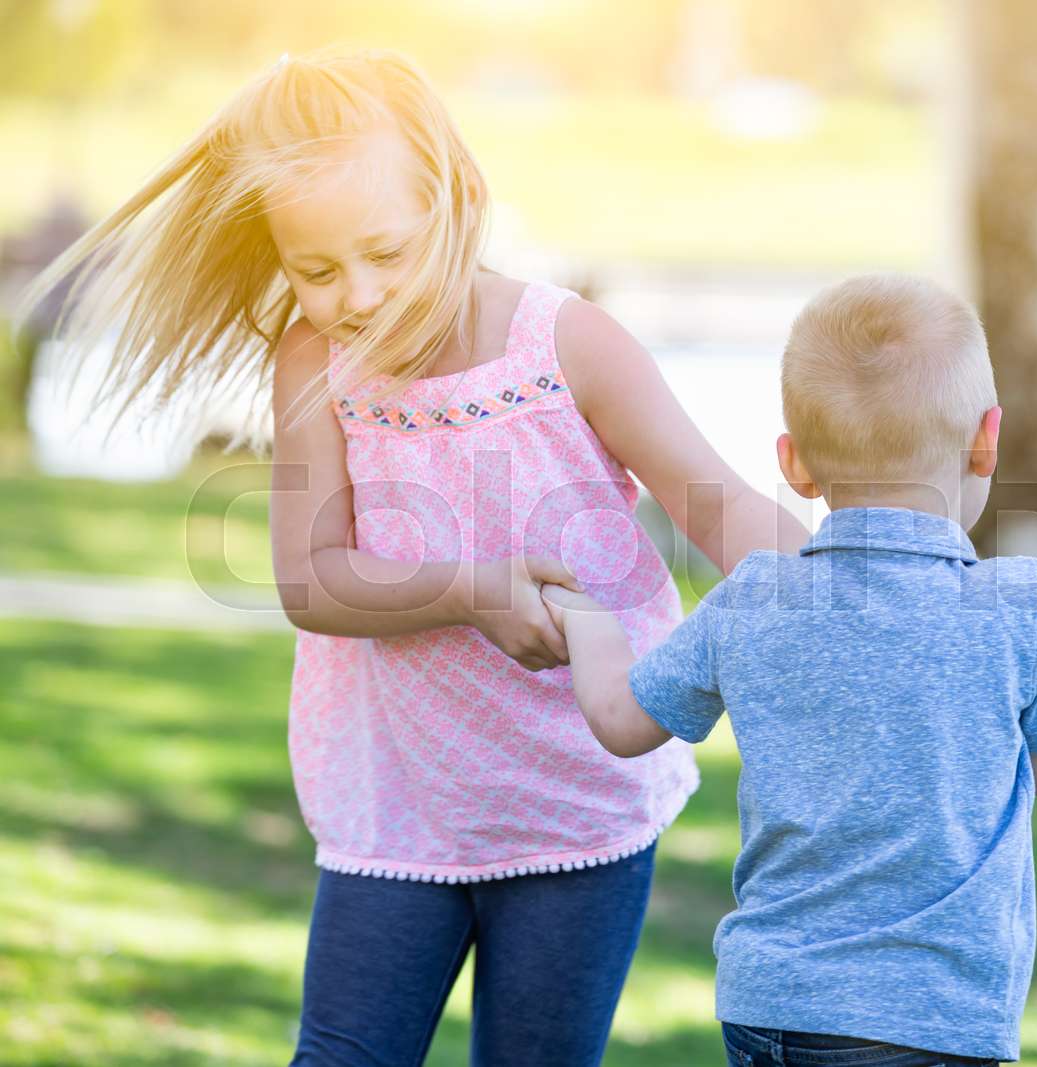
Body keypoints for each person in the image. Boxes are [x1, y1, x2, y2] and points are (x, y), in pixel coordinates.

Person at [18, 49, 807, 1066]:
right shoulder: (313, 361)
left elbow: (723, 503)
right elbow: (312, 578)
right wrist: (472, 593)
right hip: (394, 808)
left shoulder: (567, 345)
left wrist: (864, 583)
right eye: (315, 269)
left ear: (454, 198)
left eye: (385, 252)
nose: (354, 293)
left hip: (577, 805)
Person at [542, 272, 1037, 1066]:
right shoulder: (1016, 605)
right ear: (987, 437)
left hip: (775, 1005)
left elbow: (625, 722)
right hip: (938, 1018)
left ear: (793, 462)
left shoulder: (755, 595)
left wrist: (589, 618)